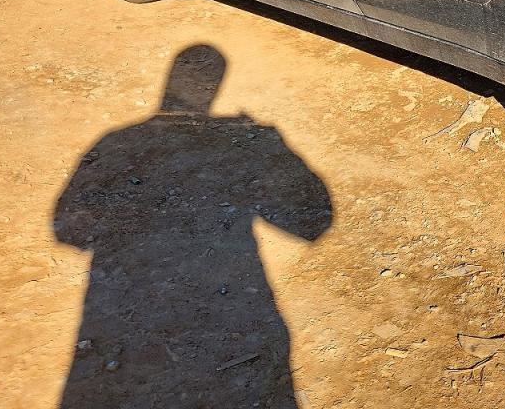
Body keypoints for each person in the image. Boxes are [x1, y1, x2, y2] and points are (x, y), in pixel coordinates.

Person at [54, 44, 331, 408]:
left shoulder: (116, 141)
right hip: (240, 316)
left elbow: (67, 233)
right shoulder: (249, 139)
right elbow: (312, 225)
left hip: (123, 324)